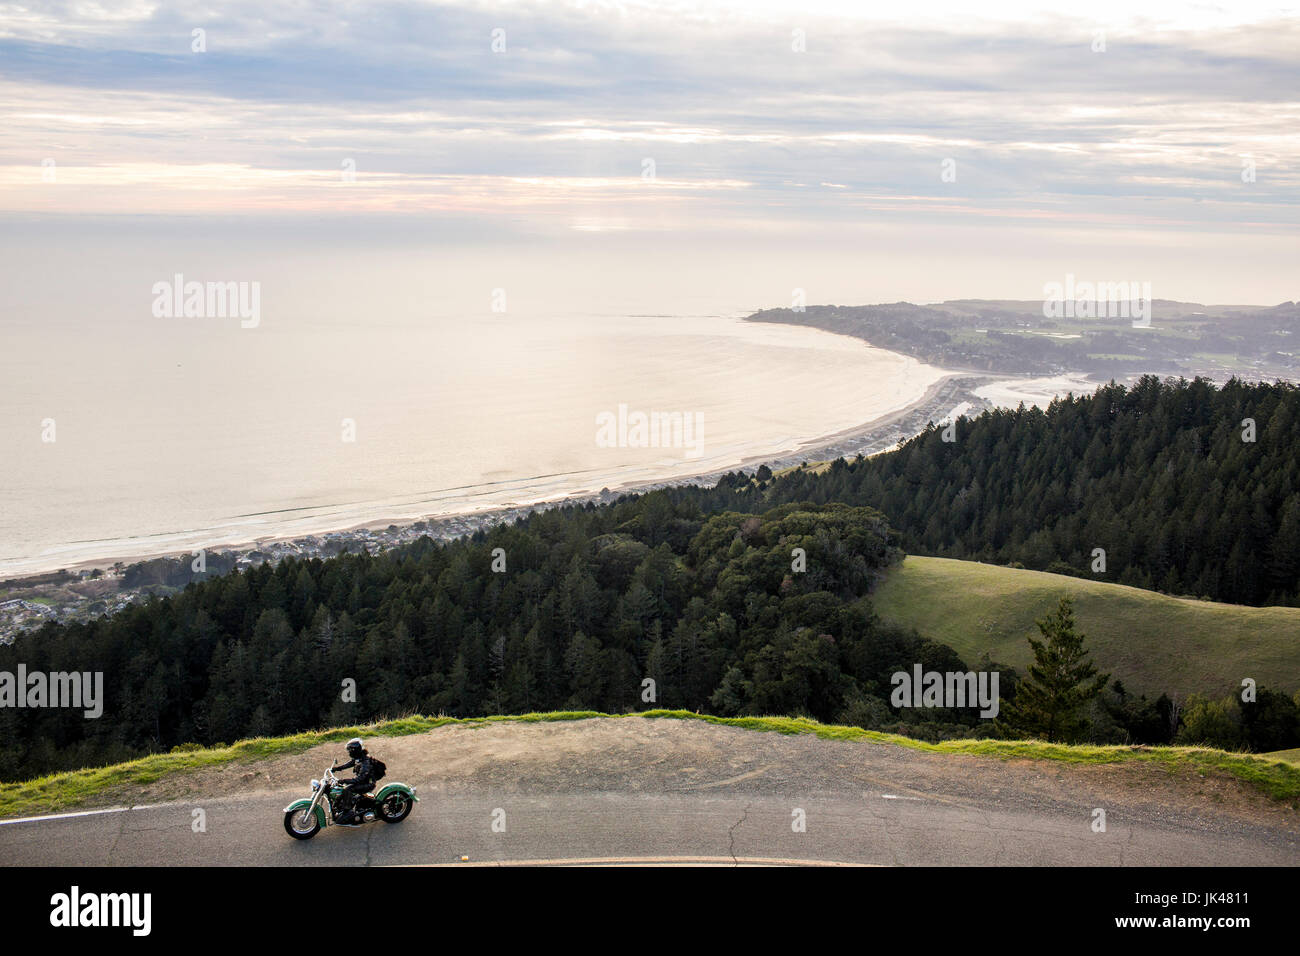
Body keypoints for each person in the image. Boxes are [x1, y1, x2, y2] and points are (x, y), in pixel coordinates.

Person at [330, 737, 377, 825]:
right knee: (341, 789)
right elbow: (351, 763)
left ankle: (347, 812)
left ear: (354, 751)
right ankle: (340, 807)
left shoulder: (365, 762)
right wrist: (337, 768)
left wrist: (344, 780)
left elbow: (359, 779)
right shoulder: (359, 757)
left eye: (349, 751)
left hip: (368, 784)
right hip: (363, 781)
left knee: (348, 789)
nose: (349, 753)